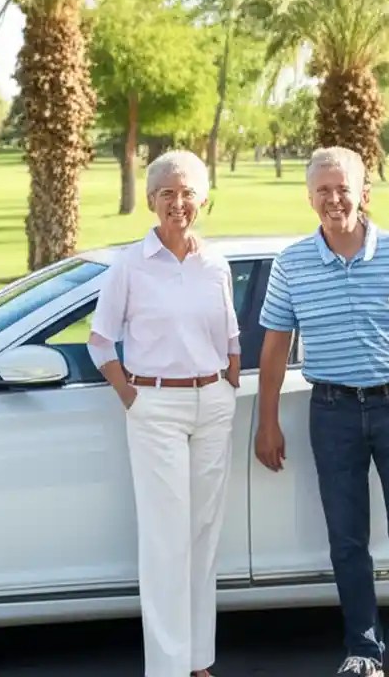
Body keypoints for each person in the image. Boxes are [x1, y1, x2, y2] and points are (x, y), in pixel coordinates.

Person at [254, 146, 389, 677]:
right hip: (332, 411)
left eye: (344, 188)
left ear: (364, 191)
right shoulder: (291, 263)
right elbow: (274, 347)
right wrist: (265, 420)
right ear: (309, 197)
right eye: (323, 190)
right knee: (347, 540)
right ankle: (363, 649)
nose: (334, 199)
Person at [87, 150, 242, 677]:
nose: (179, 203)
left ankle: (199, 661)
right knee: (165, 539)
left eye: (188, 193)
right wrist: (132, 395)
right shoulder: (130, 264)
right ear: (152, 201)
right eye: (167, 194)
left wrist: (228, 384)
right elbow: (100, 339)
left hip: (212, 404)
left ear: (202, 199)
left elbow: (230, 336)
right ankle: (168, 668)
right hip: (155, 406)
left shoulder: (214, 263)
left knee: (203, 536)